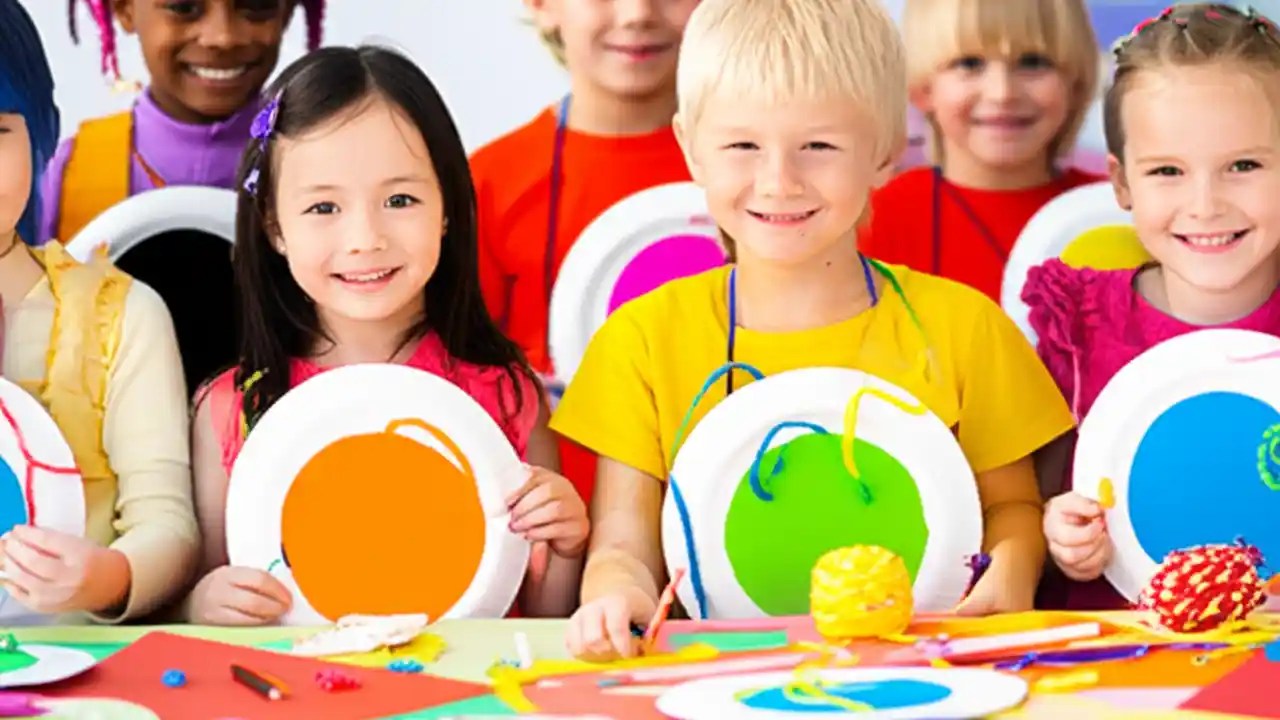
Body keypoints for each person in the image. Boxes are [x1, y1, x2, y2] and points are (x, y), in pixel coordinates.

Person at [555, 0, 1074, 661]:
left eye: (819, 146)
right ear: (690, 148)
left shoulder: (966, 328)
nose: (779, 181)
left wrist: (1014, 566)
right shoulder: (642, 339)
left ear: (885, 154)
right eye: (742, 145)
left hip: (925, 666)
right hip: (718, 677)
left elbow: (1012, 509)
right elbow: (623, 545)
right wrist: (614, 595)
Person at [185, 46, 589, 625]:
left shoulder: (506, 396)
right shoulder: (231, 409)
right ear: (274, 227)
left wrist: (569, 544)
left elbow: (539, 616)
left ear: (447, 206)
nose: (365, 237)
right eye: (324, 206)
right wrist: (200, 604)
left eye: (400, 200)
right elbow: (209, 587)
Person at [1030, 2, 1280, 609]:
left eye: (1242, 165)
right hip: (1118, 671)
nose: (1204, 204)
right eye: (1168, 170)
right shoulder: (1079, 329)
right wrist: (1061, 533)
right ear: (1121, 184)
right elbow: (1034, 504)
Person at [0, 0, 198, 622]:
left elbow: (166, 518)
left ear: (41, 133)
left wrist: (107, 578)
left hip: (79, 667)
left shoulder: (124, 315)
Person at [469, 0, 702, 504]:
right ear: (542, 6)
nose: (638, 13)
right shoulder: (490, 184)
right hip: (551, 537)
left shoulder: (762, 172)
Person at [860, 0, 1102, 302]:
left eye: (1033, 62)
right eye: (969, 64)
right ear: (922, 89)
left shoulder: (1116, 211)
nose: (1002, 93)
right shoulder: (872, 220)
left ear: (1076, 85)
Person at [39, 0, 326, 244]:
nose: (222, 37)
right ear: (125, 8)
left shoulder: (328, 163)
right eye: (183, 7)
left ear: (287, 10)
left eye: (256, 5)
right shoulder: (66, 177)